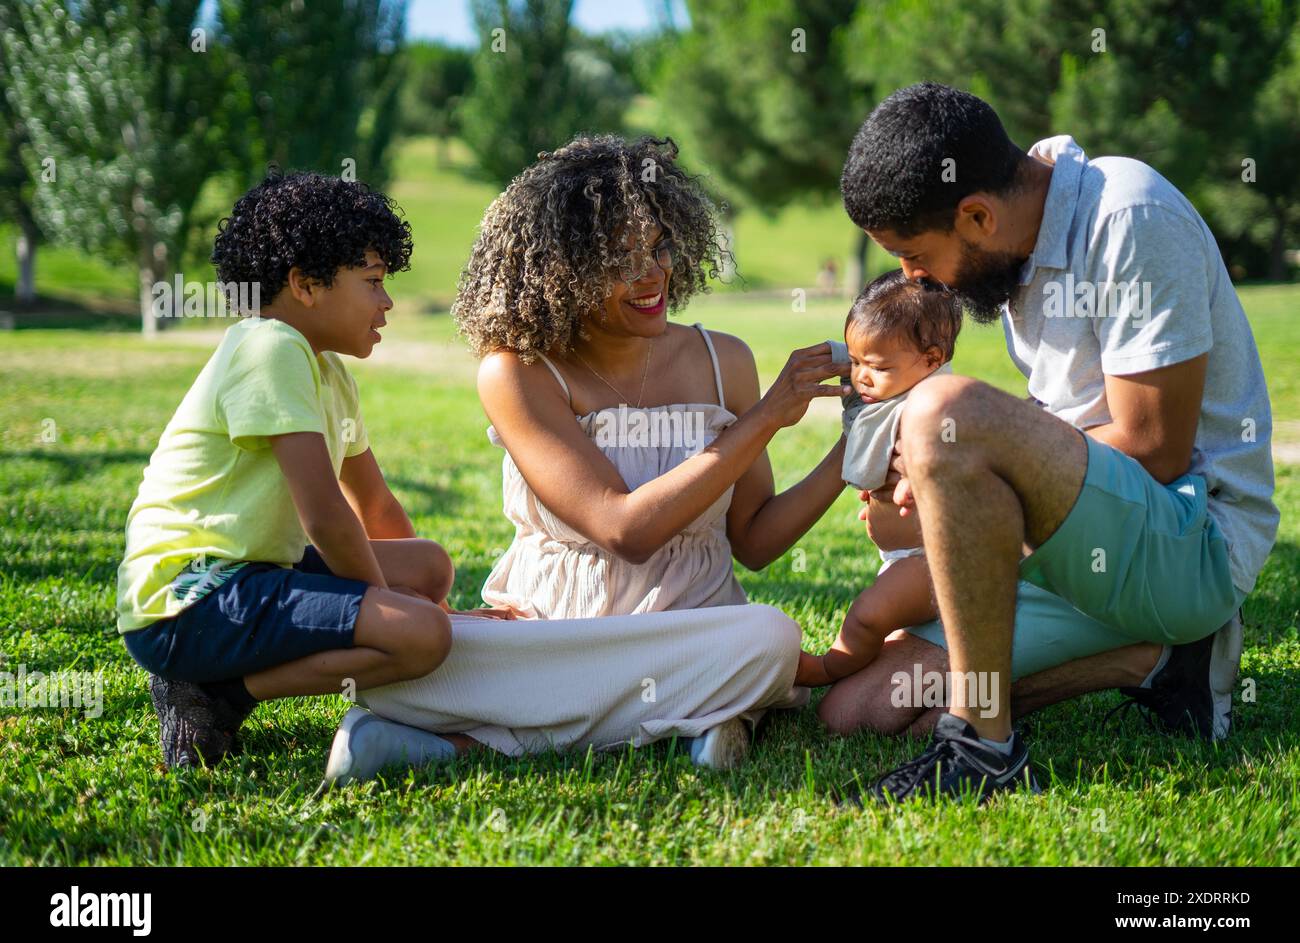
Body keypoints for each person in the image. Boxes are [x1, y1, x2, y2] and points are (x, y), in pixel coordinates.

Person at [323, 134, 852, 784]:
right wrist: (767, 418)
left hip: (690, 625)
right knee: (393, 666)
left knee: (768, 637)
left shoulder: (726, 361)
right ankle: (708, 717)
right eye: (621, 260)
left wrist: (852, 447)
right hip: (552, 632)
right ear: (560, 268)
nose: (652, 274)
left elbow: (757, 540)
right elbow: (624, 529)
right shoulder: (516, 372)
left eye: (659, 247)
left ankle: (469, 747)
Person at [828, 82, 1277, 803]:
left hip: (1191, 541)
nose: (912, 280)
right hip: (1088, 540)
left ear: (976, 214)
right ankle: (1160, 659)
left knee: (943, 407)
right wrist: (946, 497)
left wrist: (962, 456)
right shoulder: (1015, 247)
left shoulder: (1129, 215)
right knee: (865, 709)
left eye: (914, 256)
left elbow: (1153, 444)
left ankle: (983, 748)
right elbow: (1060, 439)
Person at [117, 171, 456, 769]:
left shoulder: (330, 374)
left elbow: (373, 507)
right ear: (305, 284)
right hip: (188, 598)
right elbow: (324, 514)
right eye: (373, 282)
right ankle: (217, 694)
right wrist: (401, 613)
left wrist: (429, 601)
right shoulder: (268, 348)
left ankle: (221, 682)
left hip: (257, 570)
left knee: (428, 566)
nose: (388, 302)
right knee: (422, 637)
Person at [795, 269, 959, 688]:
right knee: (890, 631)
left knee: (868, 616)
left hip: (937, 560)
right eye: (855, 362)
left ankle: (829, 667)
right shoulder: (892, 389)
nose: (861, 377)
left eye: (877, 367)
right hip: (903, 557)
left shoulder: (934, 407)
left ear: (931, 360)